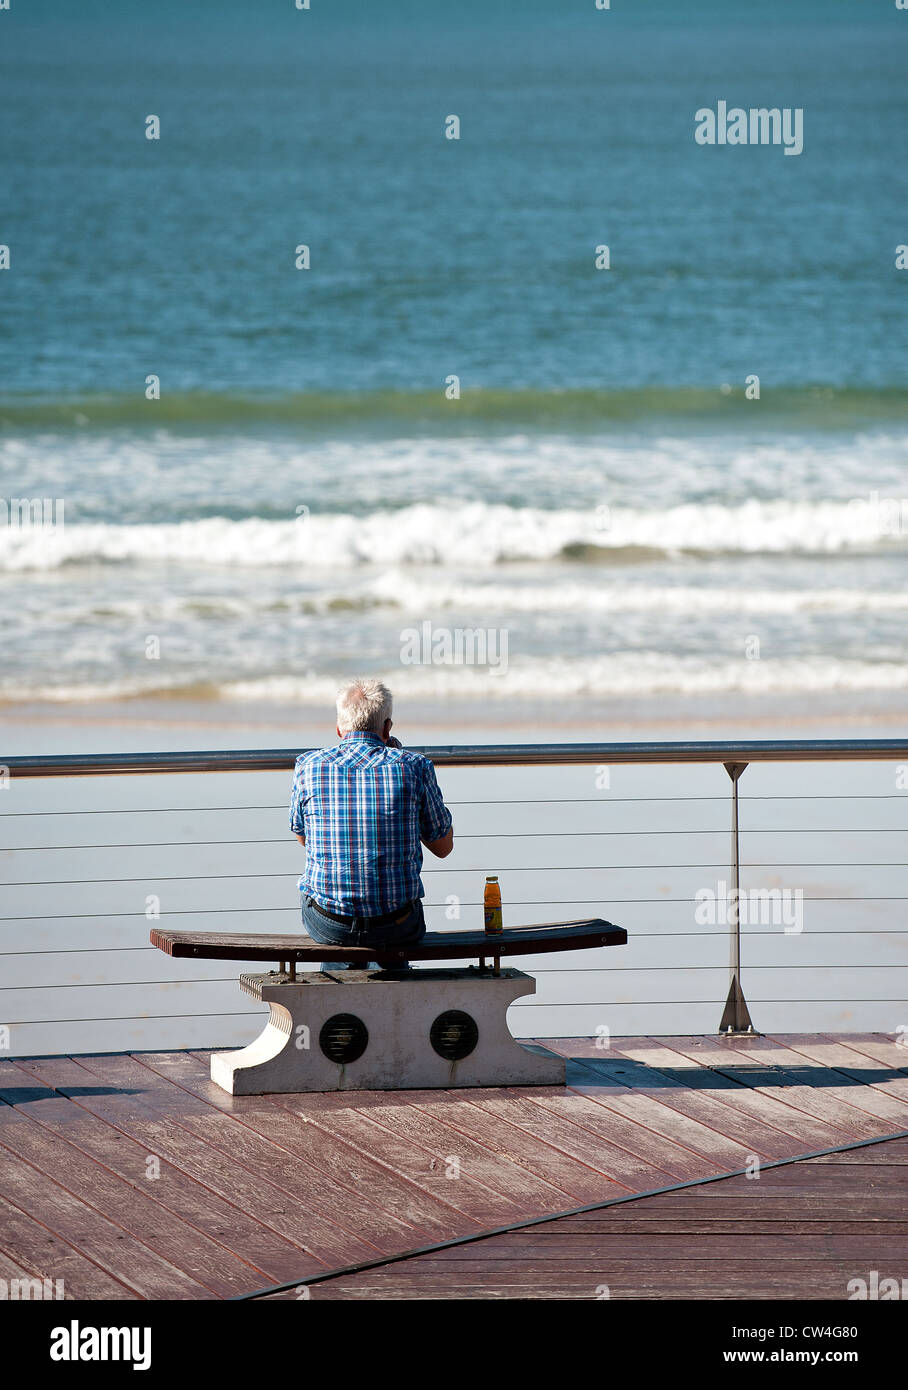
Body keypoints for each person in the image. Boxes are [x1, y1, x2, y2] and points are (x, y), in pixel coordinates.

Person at [289, 678, 454, 971]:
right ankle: (393, 1002)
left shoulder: (309, 766)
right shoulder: (414, 766)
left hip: (330, 922)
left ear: (339, 728)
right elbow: (443, 847)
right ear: (388, 727)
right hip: (398, 924)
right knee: (390, 929)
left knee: (329, 913)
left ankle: (337, 1005)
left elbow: (304, 838)